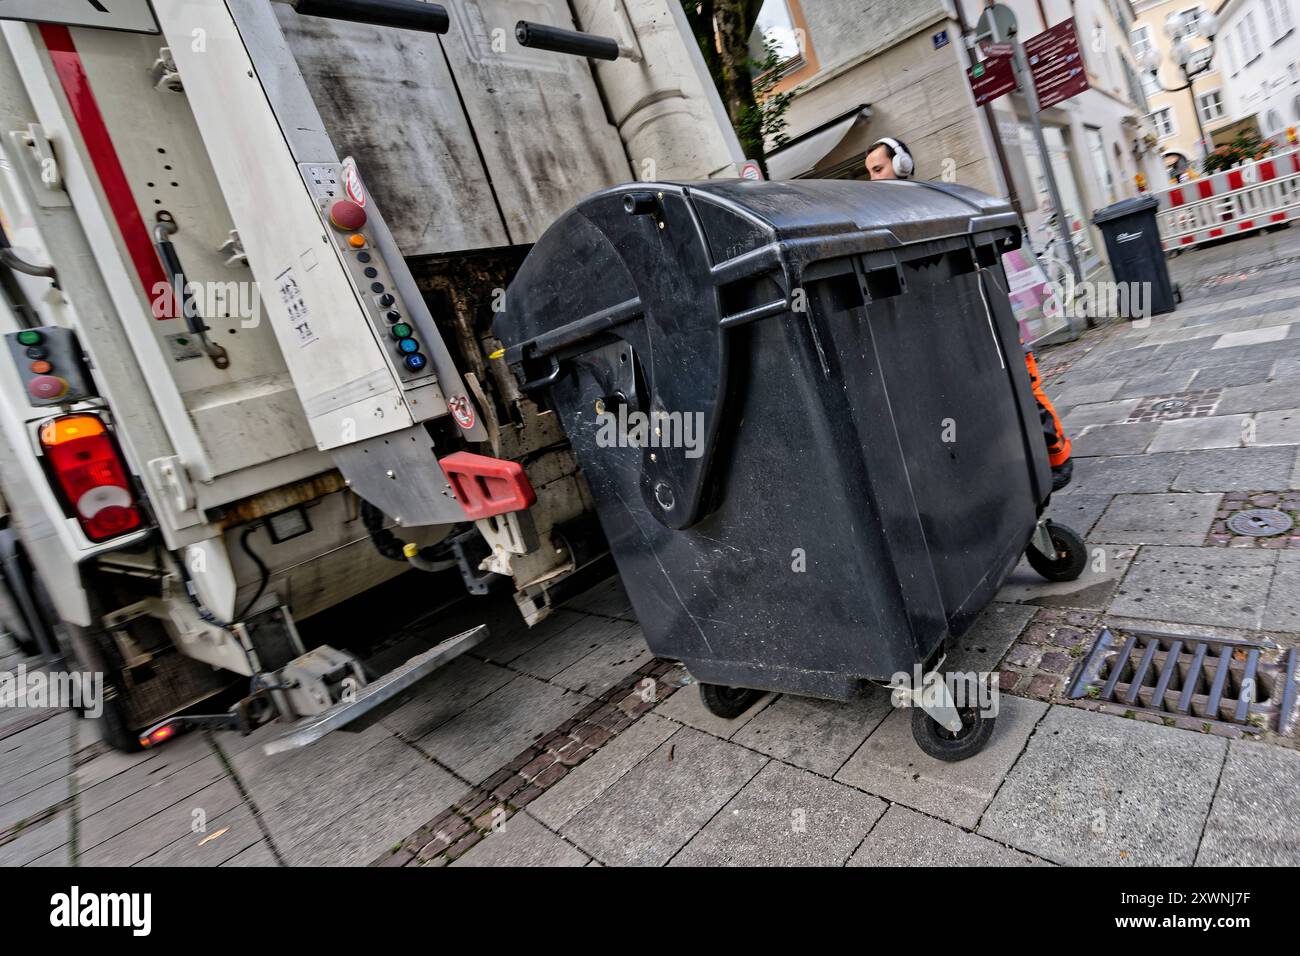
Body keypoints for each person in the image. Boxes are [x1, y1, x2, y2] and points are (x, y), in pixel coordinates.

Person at [864, 137, 1074, 491]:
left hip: (986, 318)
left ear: (900, 165)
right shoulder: (888, 217)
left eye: (878, 169)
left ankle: (1058, 460)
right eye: (869, 172)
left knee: (1023, 385)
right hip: (955, 330)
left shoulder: (930, 202)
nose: (873, 180)